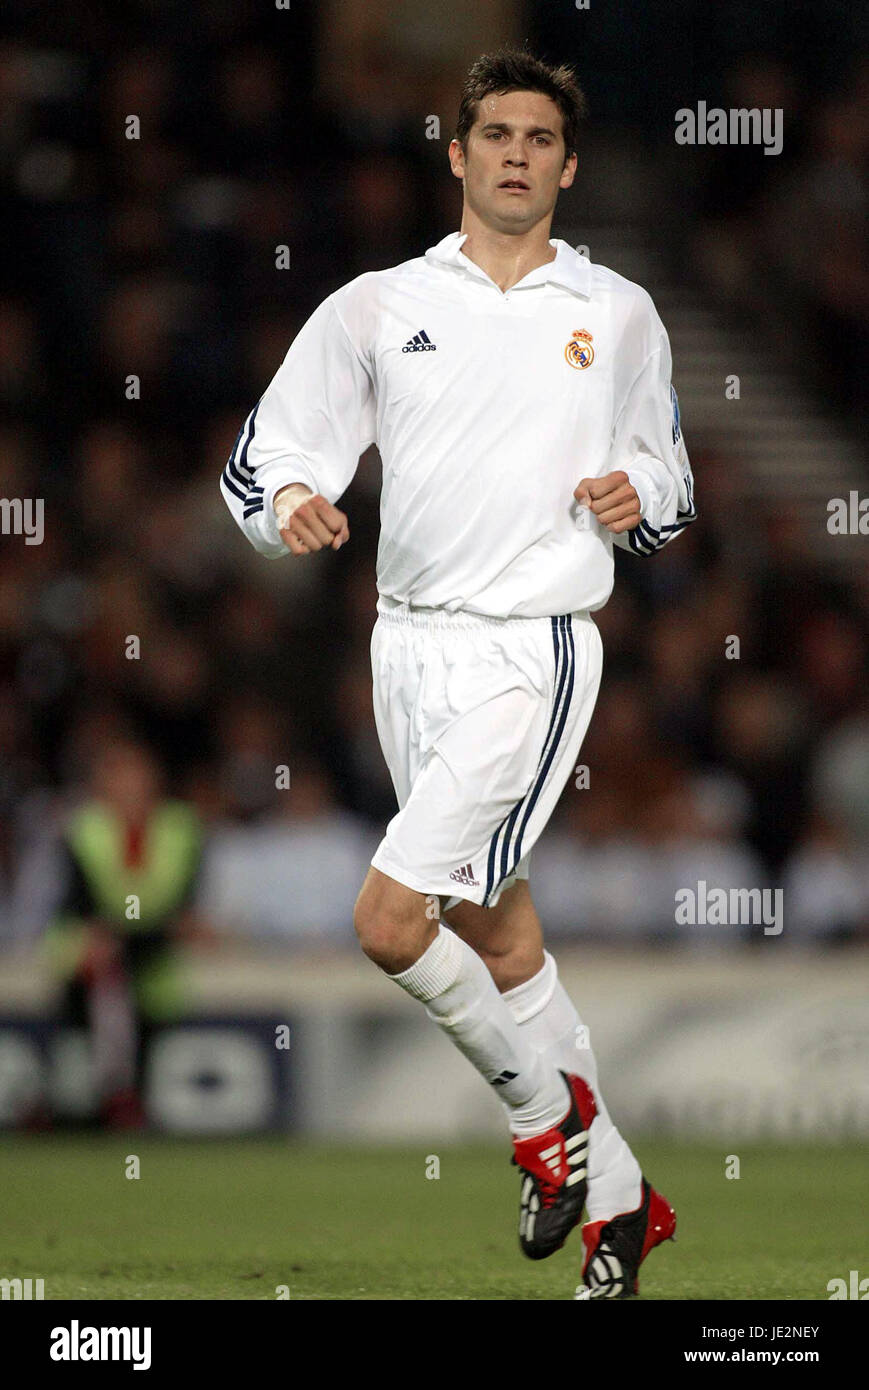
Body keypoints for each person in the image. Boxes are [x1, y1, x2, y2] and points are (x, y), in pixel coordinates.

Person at [221, 47, 695, 1299]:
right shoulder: (378, 303)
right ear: (456, 153)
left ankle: (546, 1127)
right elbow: (264, 457)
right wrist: (295, 500)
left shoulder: (616, 310)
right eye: (495, 135)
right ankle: (623, 1203)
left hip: (530, 646)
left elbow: (671, 479)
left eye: (539, 138)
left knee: (389, 919)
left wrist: (633, 489)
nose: (516, 155)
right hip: (406, 642)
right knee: (494, 925)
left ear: (567, 163)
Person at [45, 739, 202, 1128]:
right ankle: (105, 1098)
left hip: (150, 951)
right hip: (97, 953)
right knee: (100, 968)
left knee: (118, 966)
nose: (131, 786)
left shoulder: (180, 828)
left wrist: (122, 929)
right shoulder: (84, 829)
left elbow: (180, 907)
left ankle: (116, 1098)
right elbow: (76, 903)